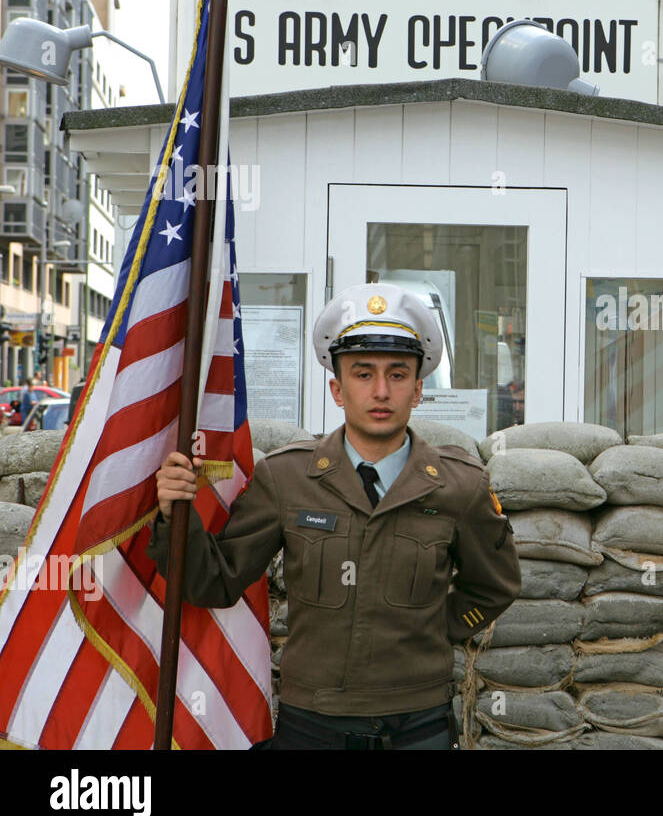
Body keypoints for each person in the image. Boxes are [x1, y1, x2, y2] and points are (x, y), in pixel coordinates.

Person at [150, 282, 521, 749]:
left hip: (418, 724)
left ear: (418, 389)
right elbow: (215, 583)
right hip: (313, 724)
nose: (381, 391)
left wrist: (431, 630)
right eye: (363, 374)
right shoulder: (286, 478)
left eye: (398, 374)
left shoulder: (459, 485)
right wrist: (173, 517)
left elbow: (495, 586)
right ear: (337, 389)